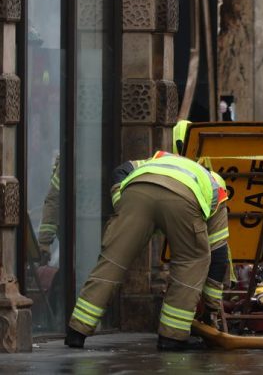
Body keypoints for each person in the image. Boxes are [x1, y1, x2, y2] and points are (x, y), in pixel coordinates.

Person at [66, 139, 230, 351]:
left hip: (137, 191)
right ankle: (172, 337)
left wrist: (121, 207)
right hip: (183, 200)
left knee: (112, 260)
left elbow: (121, 171)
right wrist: (211, 308)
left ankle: (76, 331)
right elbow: (218, 256)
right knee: (193, 260)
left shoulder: (160, 158)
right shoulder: (217, 186)